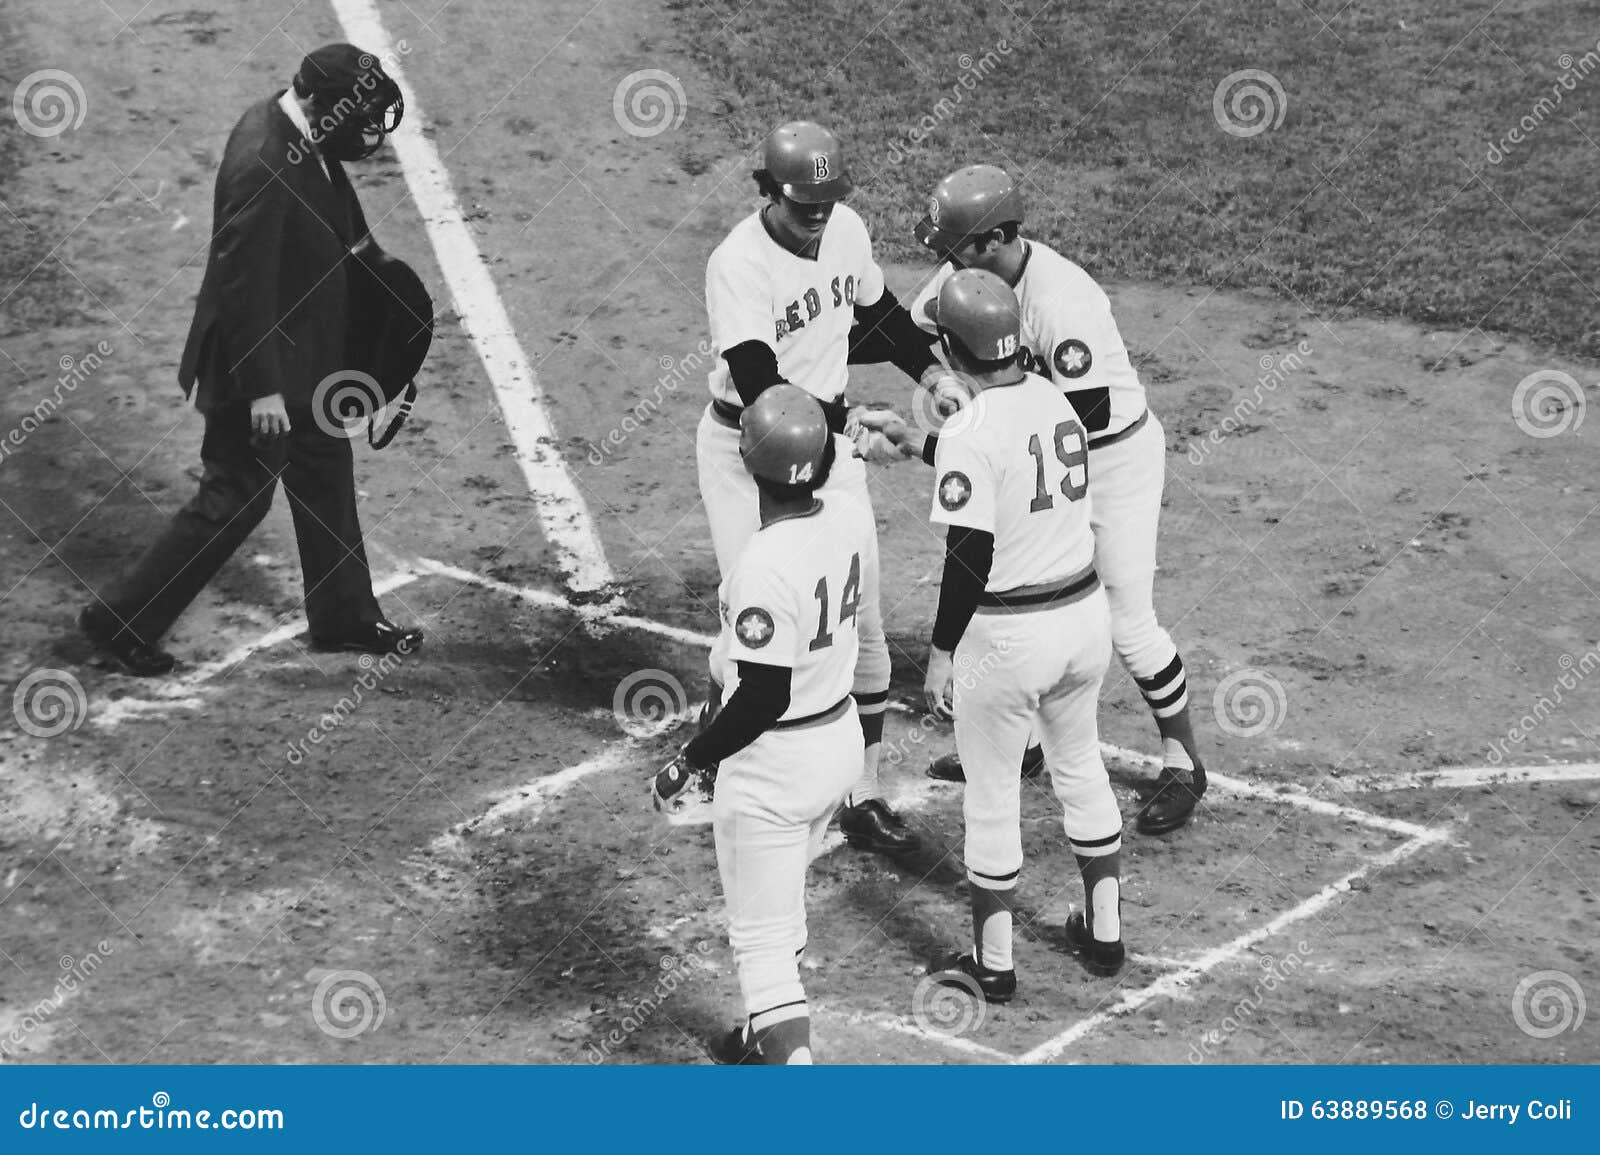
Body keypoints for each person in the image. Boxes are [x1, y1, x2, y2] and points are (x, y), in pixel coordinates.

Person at [78, 44, 421, 675]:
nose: (368, 125)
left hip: (307, 357)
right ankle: (119, 621)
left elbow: (335, 214)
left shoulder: (299, 131)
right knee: (236, 495)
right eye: (358, 110)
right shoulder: (264, 159)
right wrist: (262, 388)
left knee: (323, 469)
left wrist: (374, 274)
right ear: (318, 101)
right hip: (258, 364)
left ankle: (344, 614)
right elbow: (243, 285)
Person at [907, 164, 1210, 835]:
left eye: (953, 247)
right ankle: (1026, 747)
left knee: (1125, 620)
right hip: (1045, 452)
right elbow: (908, 326)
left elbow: (1090, 408)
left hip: (1111, 456)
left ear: (994, 240)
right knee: (1030, 593)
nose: (945, 261)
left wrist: (982, 418)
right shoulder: (974, 283)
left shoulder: (1061, 300)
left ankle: (1184, 761)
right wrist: (940, 378)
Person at [857, 269, 1126, 996]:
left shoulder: (972, 429)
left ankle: (995, 965)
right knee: (1079, 765)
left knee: (992, 793)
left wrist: (942, 655)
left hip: (1009, 638)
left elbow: (968, 554)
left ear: (949, 344)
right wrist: (919, 442)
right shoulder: (1053, 396)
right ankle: (1105, 935)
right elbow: (1010, 469)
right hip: (1083, 621)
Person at [696, 120, 957, 857]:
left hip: (831, 444)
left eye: (826, 202)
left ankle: (863, 792)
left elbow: (878, 316)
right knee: (749, 610)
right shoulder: (738, 263)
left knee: (861, 623)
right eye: (803, 204)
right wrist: (852, 420)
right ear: (767, 192)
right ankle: (715, 761)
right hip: (748, 450)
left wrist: (931, 373)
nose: (817, 217)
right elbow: (759, 387)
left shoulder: (843, 227)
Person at [653, 385, 872, 1063]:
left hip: (777, 763)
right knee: (784, 902)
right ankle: (757, 1040)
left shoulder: (762, 566)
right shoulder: (845, 519)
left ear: (750, 465)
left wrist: (692, 758)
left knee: (762, 948)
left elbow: (763, 696)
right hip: (837, 740)